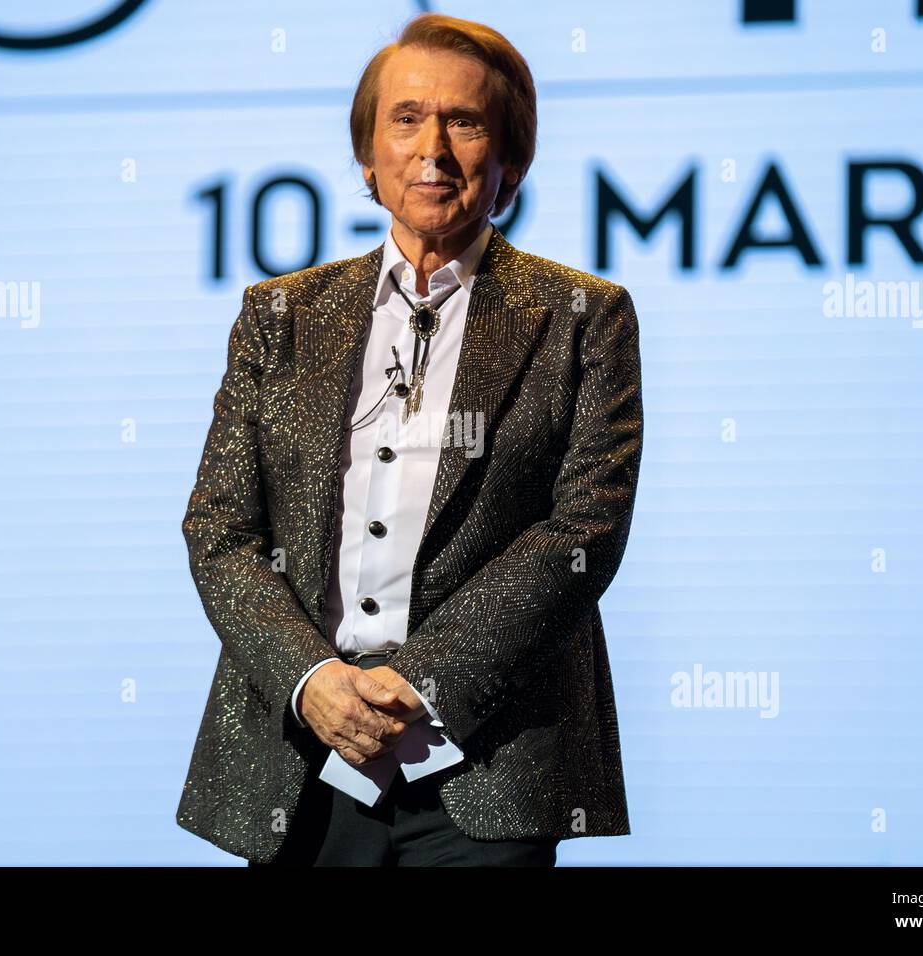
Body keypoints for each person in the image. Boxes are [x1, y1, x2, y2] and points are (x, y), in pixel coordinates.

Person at [176, 12, 642, 866]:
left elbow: (584, 532)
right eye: (406, 118)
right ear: (368, 156)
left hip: (487, 770)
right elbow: (220, 530)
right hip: (301, 761)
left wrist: (418, 685)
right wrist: (312, 683)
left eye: (465, 122)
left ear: (511, 162)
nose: (434, 147)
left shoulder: (583, 316)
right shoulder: (281, 315)